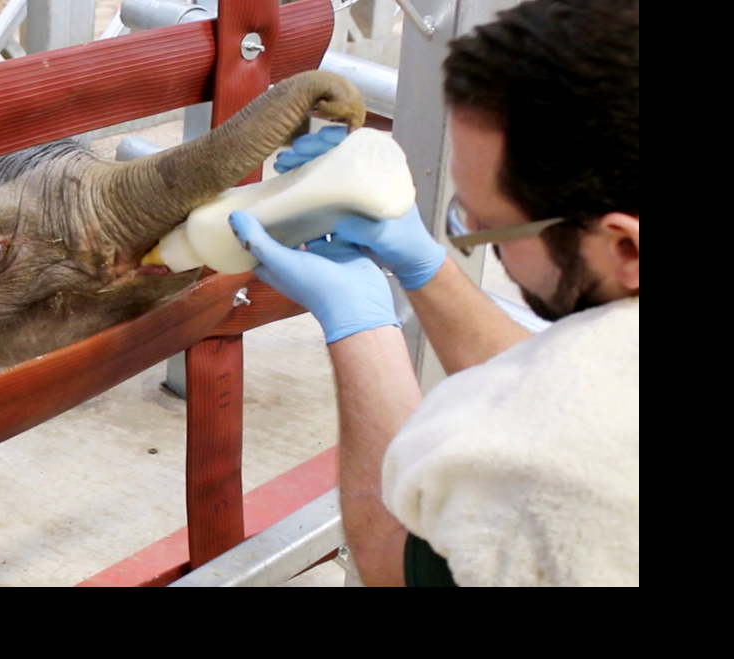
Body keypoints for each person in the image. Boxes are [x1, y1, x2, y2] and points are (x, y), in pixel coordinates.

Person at [229, 0, 638, 586]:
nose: (473, 236)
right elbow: (581, 384)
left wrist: (359, 322)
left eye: (488, 226)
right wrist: (423, 266)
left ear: (624, 248)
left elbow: (389, 553)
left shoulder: (563, 479)